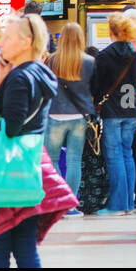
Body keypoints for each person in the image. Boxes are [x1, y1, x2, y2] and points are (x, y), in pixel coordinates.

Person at [0, 14, 75, 268]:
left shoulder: (20, 78)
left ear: (26, 42)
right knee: (25, 248)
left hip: (4, 172)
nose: (0, 44)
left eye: (7, 38)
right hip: (28, 169)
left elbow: (10, 127)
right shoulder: (40, 73)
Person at [90, 13, 136, 216]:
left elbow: (96, 85)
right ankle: (129, 202)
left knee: (114, 156)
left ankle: (118, 205)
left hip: (112, 110)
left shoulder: (104, 56)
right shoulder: (134, 54)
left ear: (111, 31)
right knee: (127, 154)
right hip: (131, 110)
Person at [45, 22, 95, 205]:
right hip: (79, 116)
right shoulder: (89, 61)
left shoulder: (52, 60)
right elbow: (92, 88)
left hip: (56, 113)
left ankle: (60, 198)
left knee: (52, 160)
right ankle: (71, 203)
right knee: (75, 160)